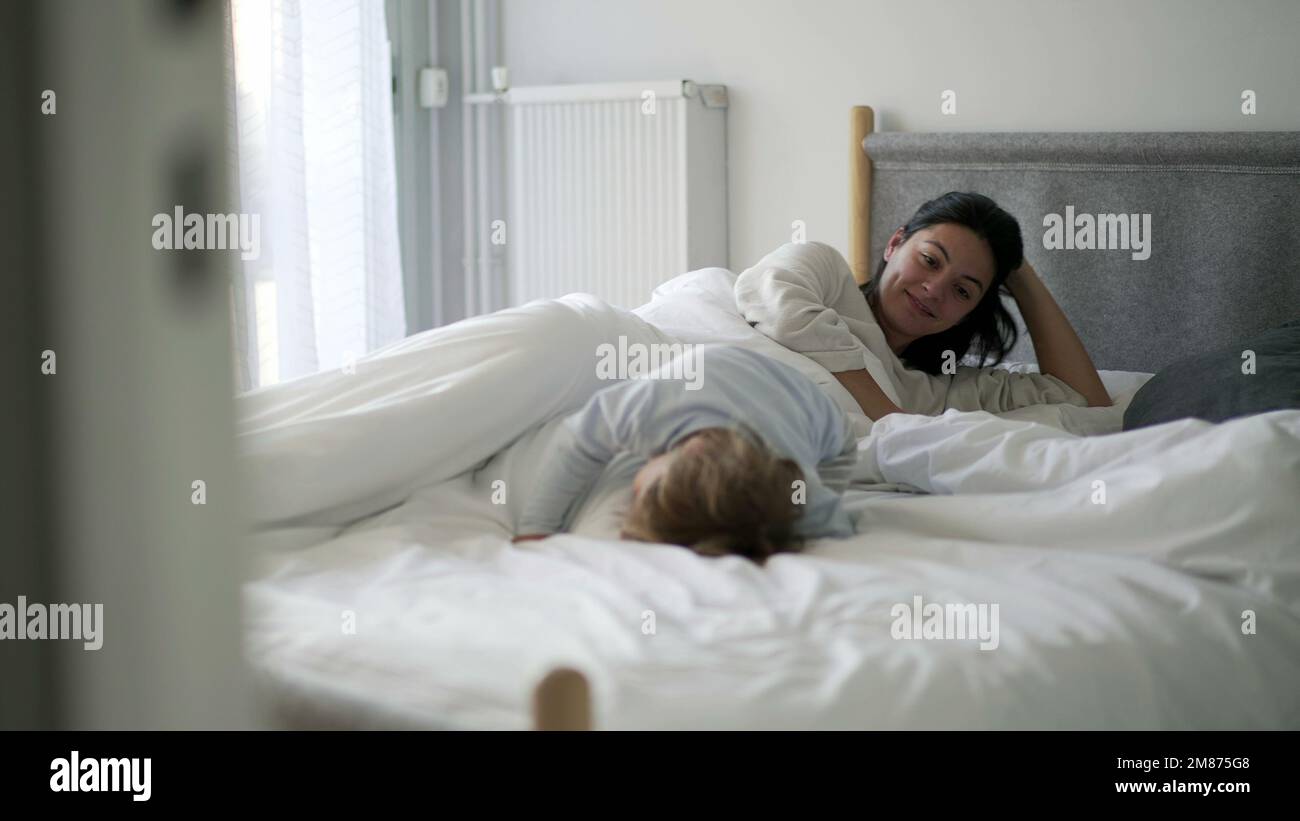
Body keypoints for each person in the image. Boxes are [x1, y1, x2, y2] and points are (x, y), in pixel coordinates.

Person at [735, 191, 1112, 421]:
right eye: (930, 260)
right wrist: (887, 415)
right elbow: (769, 297)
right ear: (896, 243)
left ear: (973, 310)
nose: (933, 290)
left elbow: (1083, 399)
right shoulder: (826, 273)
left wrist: (1018, 272)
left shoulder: (942, 391)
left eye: (963, 290)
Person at [513, 345, 859, 563]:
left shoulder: (804, 491)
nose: (632, 490)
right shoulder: (647, 409)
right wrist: (536, 528)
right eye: (643, 491)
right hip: (721, 367)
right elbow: (576, 442)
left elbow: (838, 526)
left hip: (804, 411)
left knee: (835, 457)